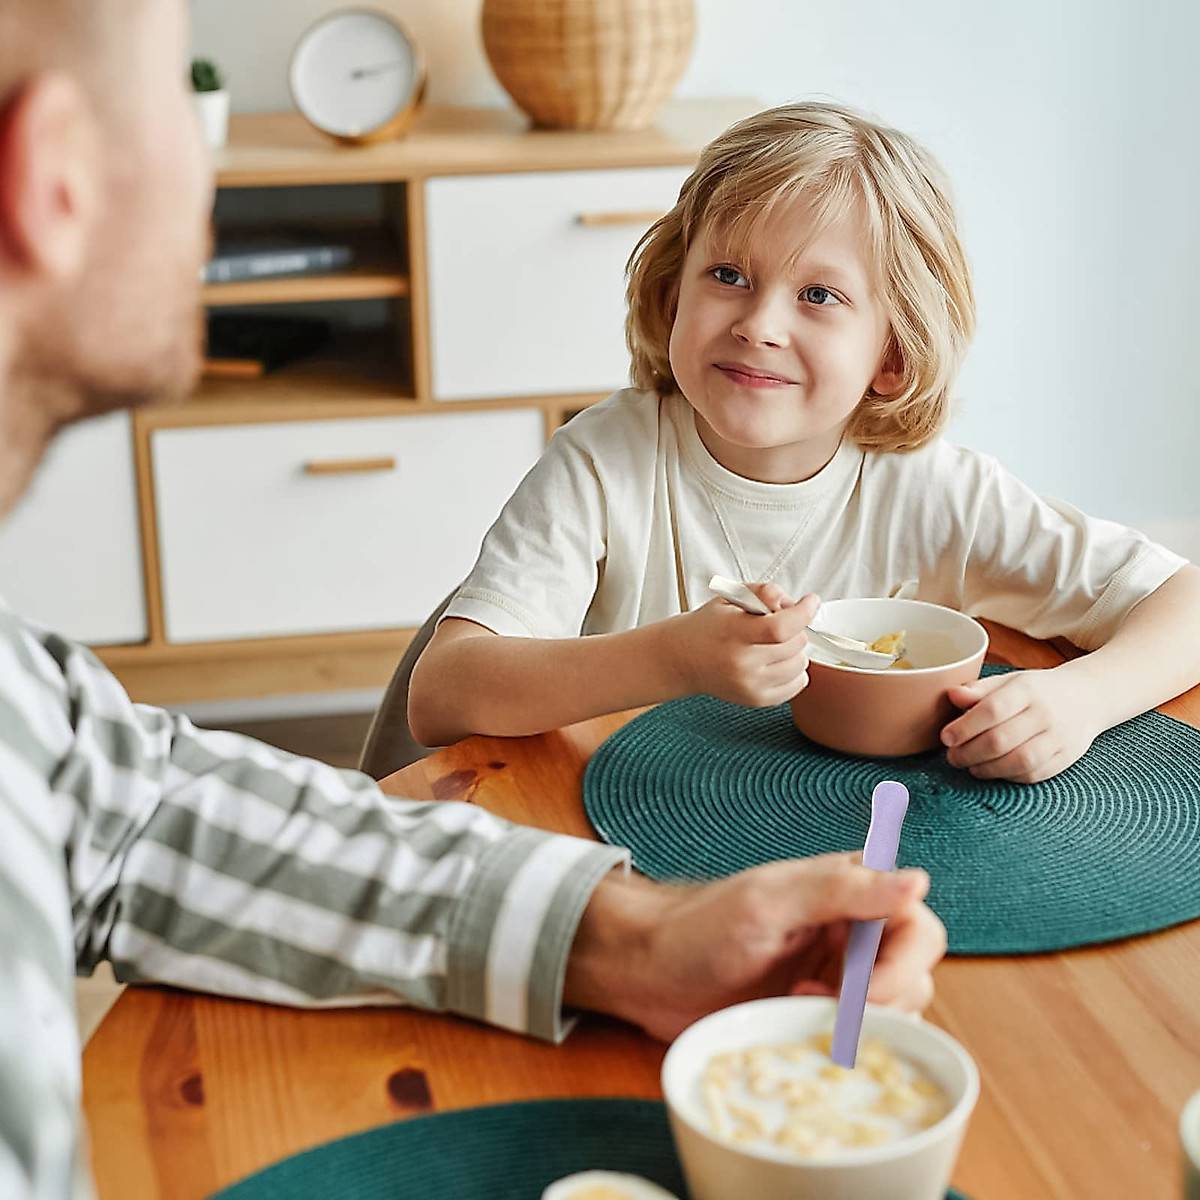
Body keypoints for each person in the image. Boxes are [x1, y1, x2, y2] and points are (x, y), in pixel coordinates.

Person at [0, 3, 948, 1195]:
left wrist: (640, 944)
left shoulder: (22, 707)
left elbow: (139, 816)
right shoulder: (608, 456)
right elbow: (449, 689)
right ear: (55, 179)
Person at [408, 101, 1200, 786]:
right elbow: (442, 695)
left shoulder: (934, 491)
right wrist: (677, 659)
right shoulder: (602, 463)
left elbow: (1186, 604)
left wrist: (1085, 699)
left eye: (819, 295)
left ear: (892, 356)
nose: (759, 325)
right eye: (728, 275)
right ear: (669, 293)